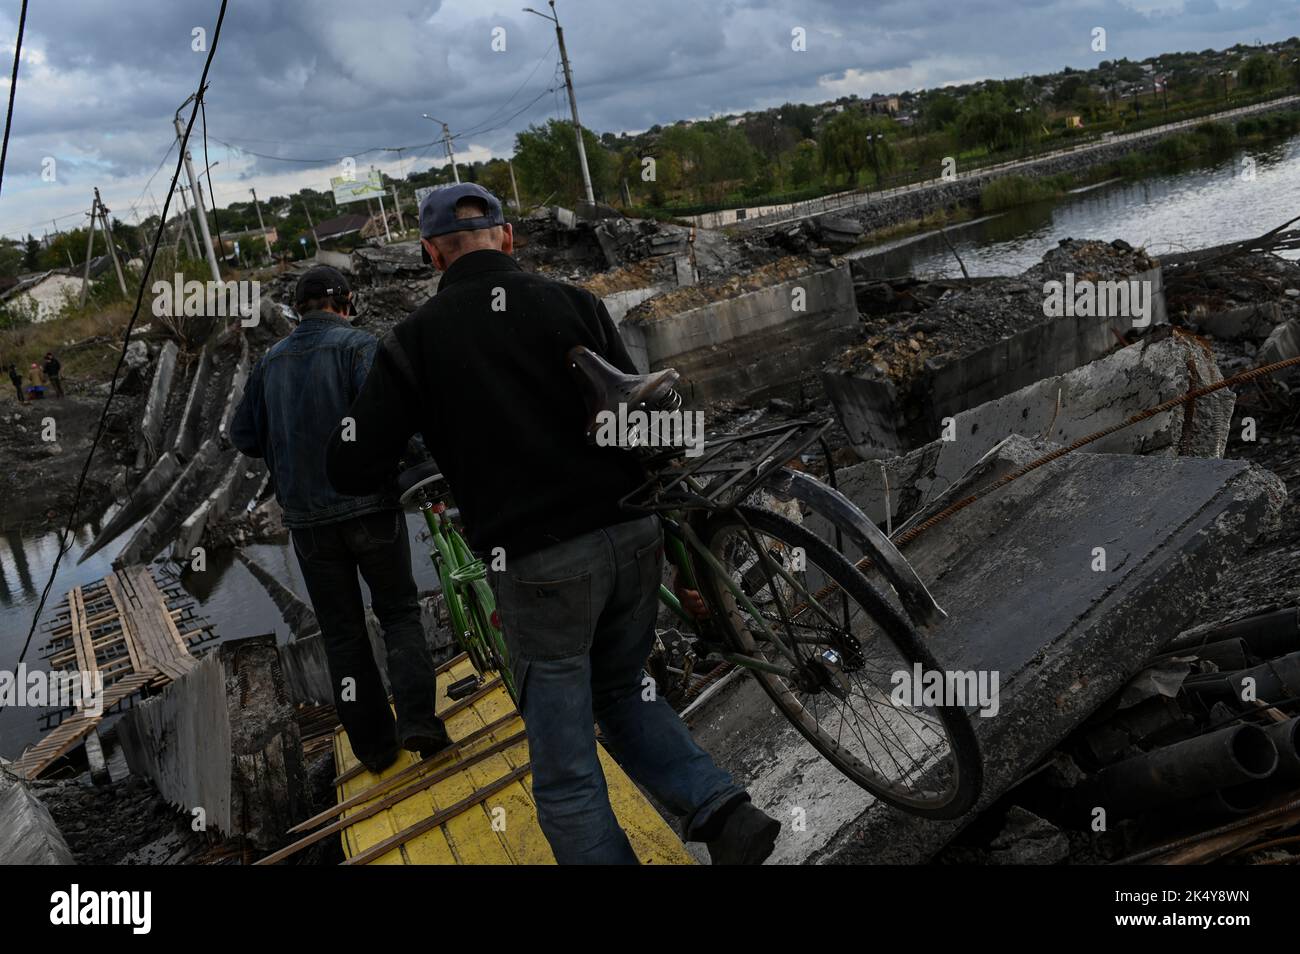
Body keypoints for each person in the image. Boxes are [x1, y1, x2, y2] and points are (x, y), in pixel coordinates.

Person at [326, 184, 779, 865]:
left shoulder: (412, 344)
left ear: (429, 254)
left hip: (538, 566)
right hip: (631, 539)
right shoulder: (575, 304)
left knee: (566, 767)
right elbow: (641, 429)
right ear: (509, 238)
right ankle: (722, 811)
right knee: (622, 688)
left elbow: (353, 465)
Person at [231, 265, 450, 774]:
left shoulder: (269, 363)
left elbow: (243, 437)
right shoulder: (359, 346)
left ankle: (374, 750)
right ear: (345, 302)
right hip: (371, 508)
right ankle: (418, 720)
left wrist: (286, 441)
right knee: (398, 614)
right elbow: (394, 421)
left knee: (343, 634)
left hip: (308, 525)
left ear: (298, 309)